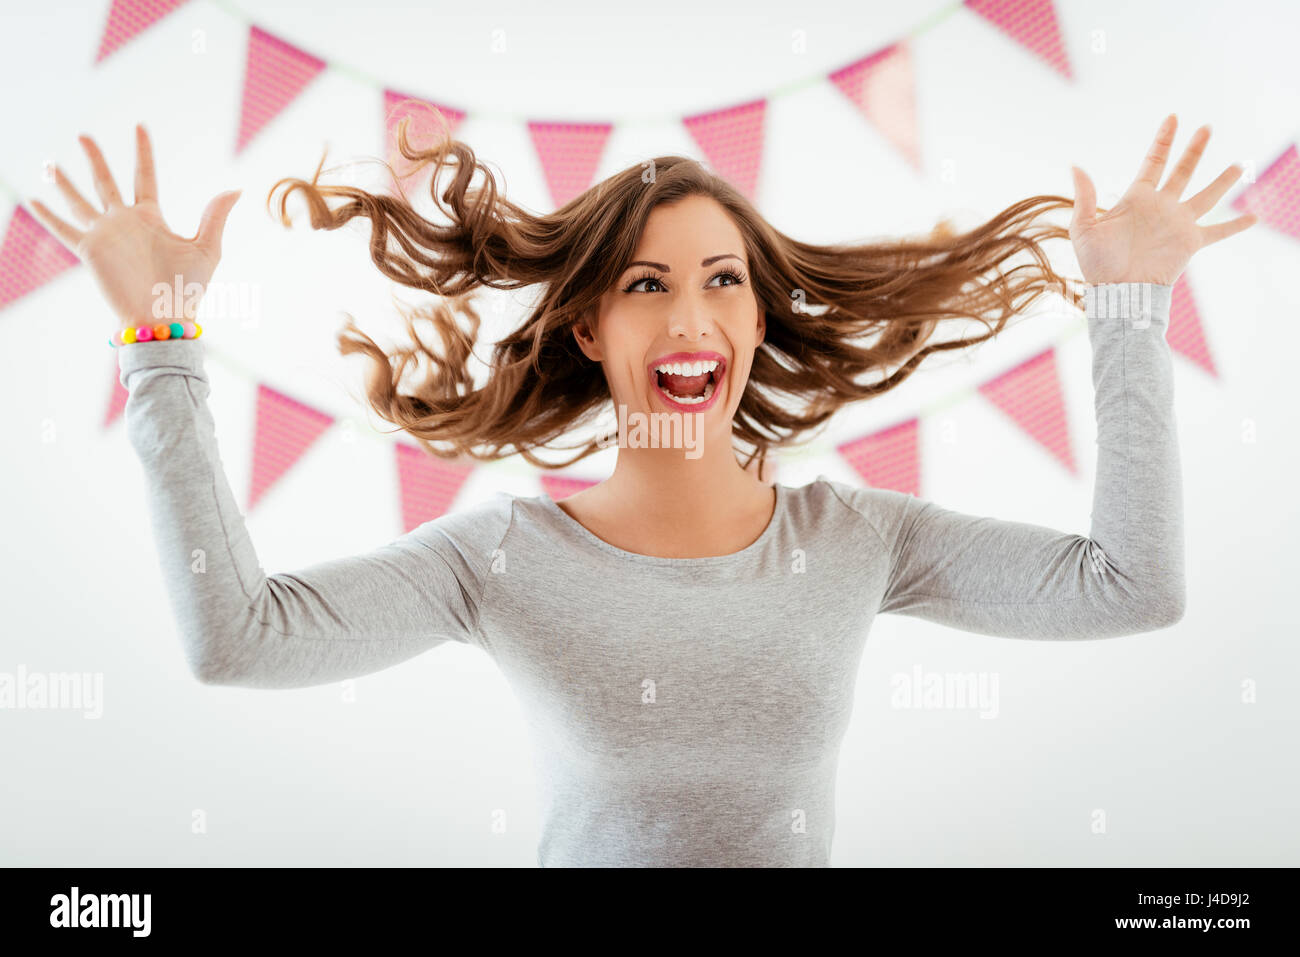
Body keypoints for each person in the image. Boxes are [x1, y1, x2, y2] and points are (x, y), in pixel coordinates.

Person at [29, 114, 1255, 867]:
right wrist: (163, 335)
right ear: (585, 330)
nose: (692, 312)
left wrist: (1127, 307)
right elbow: (235, 640)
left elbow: (1131, 589)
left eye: (724, 280)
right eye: (647, 284)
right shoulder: (496, 560)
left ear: (757, 317)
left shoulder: (860, 538)